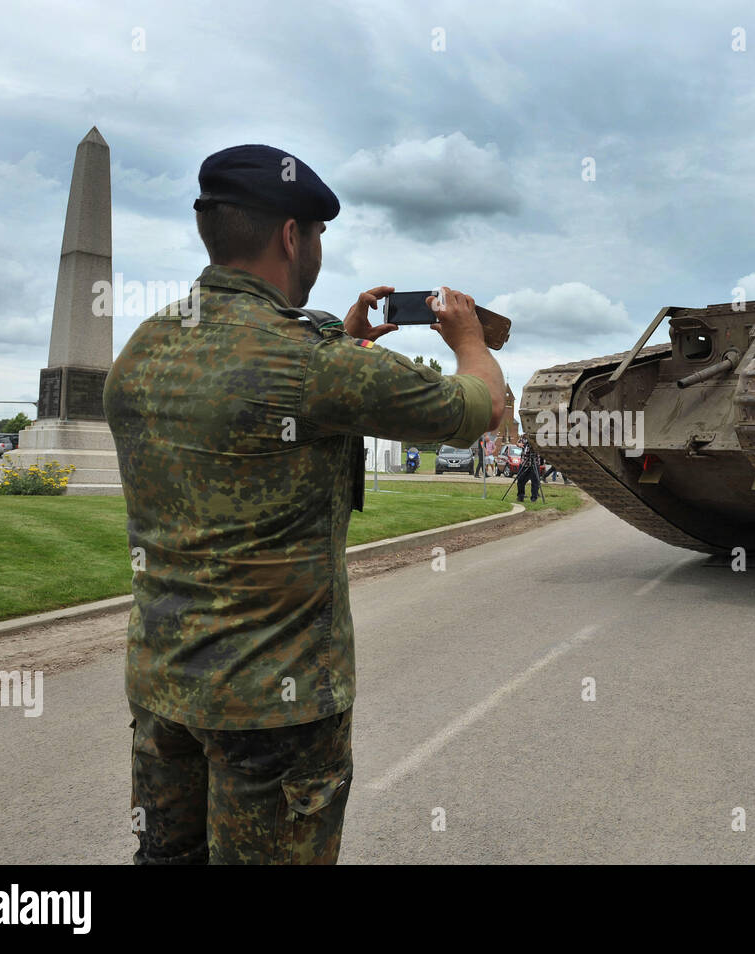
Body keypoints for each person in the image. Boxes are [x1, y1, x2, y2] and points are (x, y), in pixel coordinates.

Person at [103, 143, 505, 865]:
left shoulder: (143, 347)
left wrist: (341, 343)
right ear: (293, 235)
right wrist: (469, 339)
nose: (318, 248)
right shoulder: (311, 362)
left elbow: (244, 419)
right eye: (317, 234)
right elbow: (476, 407)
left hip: (163, 690)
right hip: (272, 708)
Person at [516, 434, 542, 503]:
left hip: (535, 462)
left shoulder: (539, 436)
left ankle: (534, 498)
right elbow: (518, 442)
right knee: (520, 480)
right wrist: (519, 444)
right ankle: (520, 496)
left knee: (535, 481)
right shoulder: (523, 436)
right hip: (524, 462)